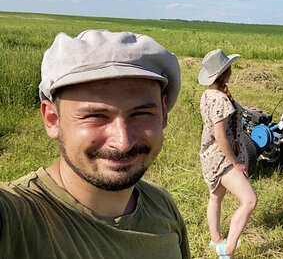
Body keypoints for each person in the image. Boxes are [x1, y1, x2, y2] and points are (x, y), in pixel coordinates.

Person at [0, 30, 190, 258]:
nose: (123, 142)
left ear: (163, 114)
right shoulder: (17, 218)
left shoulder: (162, 205)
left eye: (141, 113)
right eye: (96, 116)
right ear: (52, 119)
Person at [198, 49, 257, 258]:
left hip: (209, 155)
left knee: (216, 196)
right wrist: (236, 164)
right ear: (224, 72)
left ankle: (216, 241)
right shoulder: (221, 100)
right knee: (249, 200)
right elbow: (221, 136)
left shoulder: (208, 94)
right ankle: (228, 250)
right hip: (222, 158)